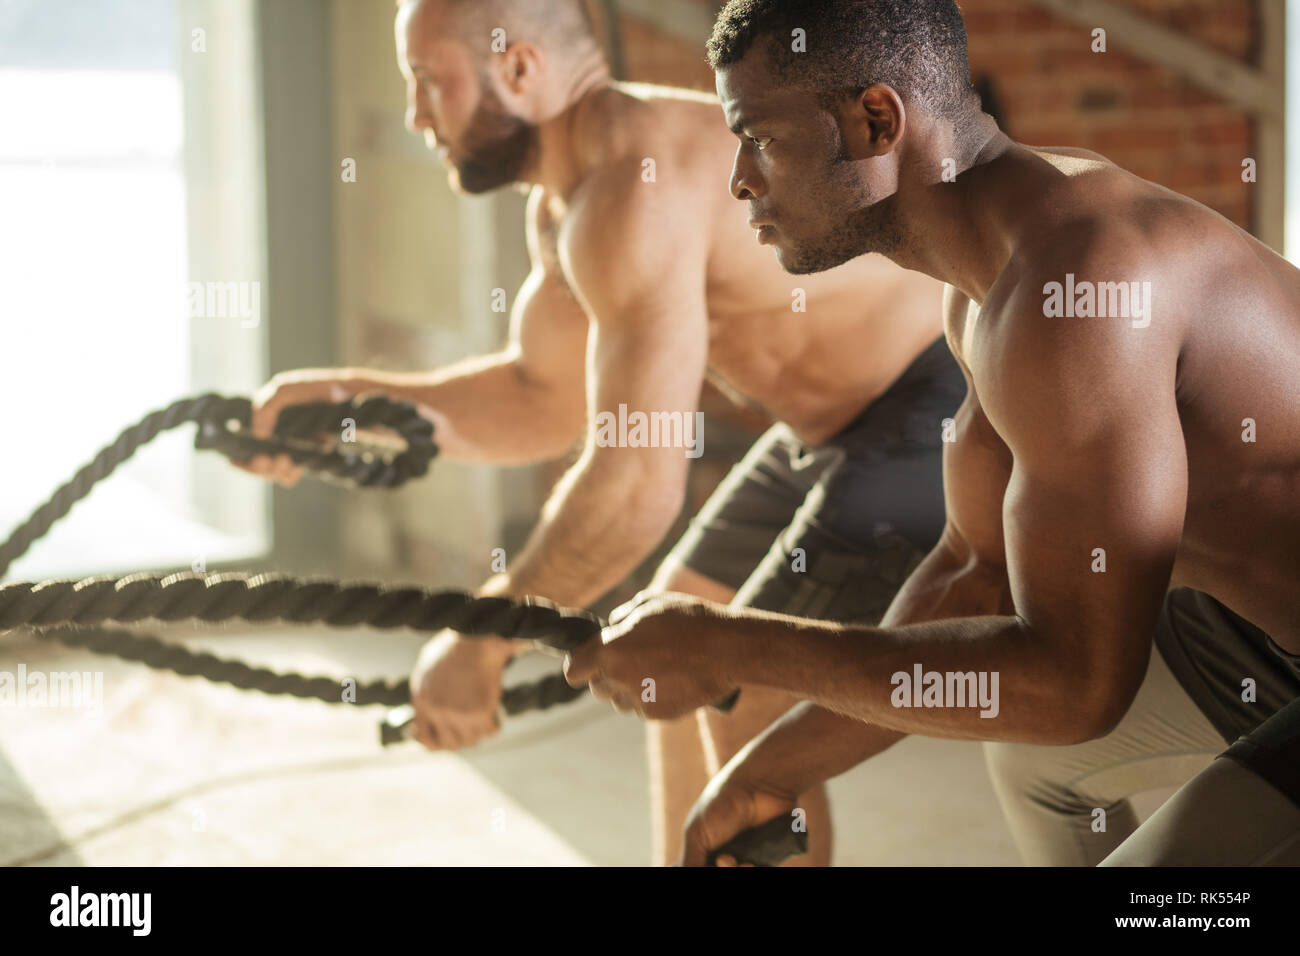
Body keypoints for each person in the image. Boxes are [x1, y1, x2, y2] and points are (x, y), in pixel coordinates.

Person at [565, 0, 1300, 866]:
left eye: (758, 136)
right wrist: (776, 765)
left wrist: (730, 642)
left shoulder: (1082, 283)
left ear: (877, 120)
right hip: (1254, 645)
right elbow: (972, 571)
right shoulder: (985, 284)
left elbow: (1078, 687)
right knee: (1031, 758)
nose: (739, 180)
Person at [237, 0, 961, 866]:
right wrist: (347, 404)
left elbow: (632, 489)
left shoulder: (628, 191)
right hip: (830, 431)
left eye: (429, 81)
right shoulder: (568, 199)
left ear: (518, 70)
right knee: (675, 658)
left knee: (741, 686)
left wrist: (483, 638)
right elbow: (541, 397)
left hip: (936, 405)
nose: (414, 115)